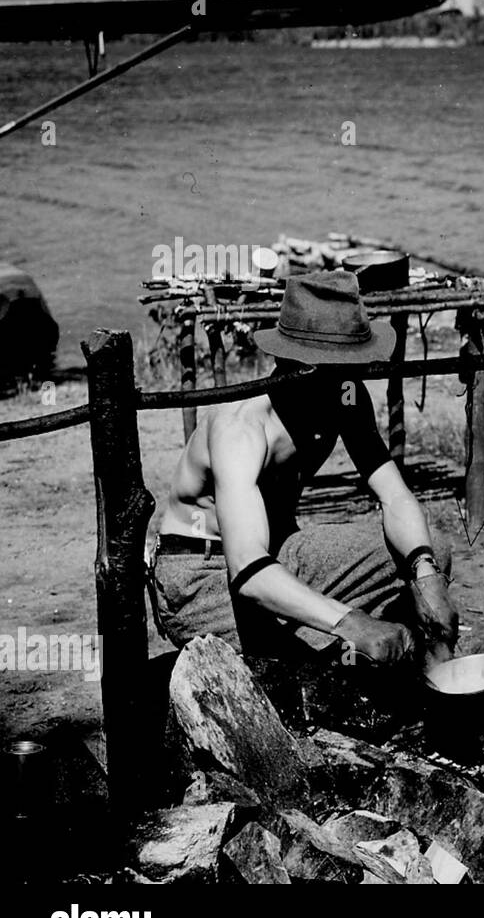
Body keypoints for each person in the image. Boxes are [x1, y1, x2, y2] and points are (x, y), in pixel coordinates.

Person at [151, 270, 458, 670]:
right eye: (335, 364)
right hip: (205, 579)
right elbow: (246, 568)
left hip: (279, 556)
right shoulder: (241, 428)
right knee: (329, 656)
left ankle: (442, 680)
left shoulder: (344, 396)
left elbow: (394, 496)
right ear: (292, 360)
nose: (349, 375)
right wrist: (350, 623)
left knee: (434, 546)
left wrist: (425, 570)